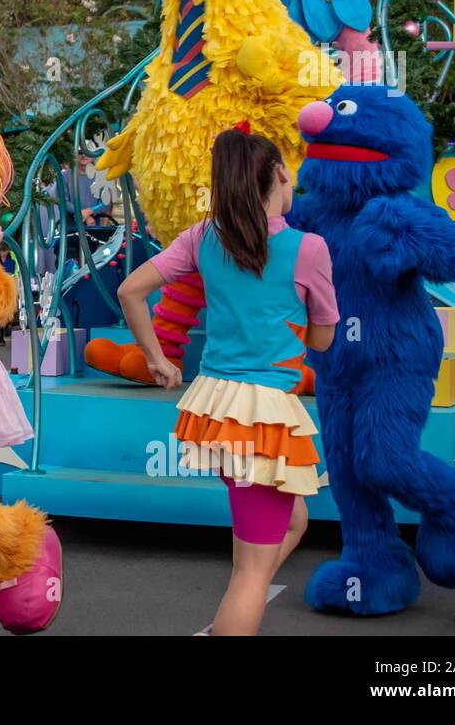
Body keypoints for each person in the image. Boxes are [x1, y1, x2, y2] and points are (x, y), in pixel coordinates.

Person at [115, 129, 337, 635]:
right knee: (251, 572)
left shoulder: (203, 237)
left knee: (295, 522)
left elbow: (131, 291)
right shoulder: (310, 249)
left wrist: (158, 360)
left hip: (216, 412)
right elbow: (322, 342)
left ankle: (227, 622)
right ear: (280, 173)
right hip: (263, 419)